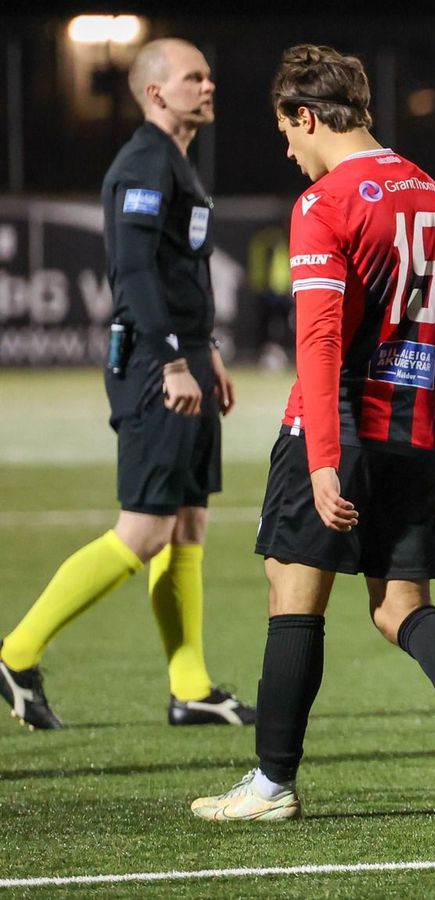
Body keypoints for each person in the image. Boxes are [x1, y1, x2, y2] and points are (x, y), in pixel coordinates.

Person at [191, 45, 435, 825]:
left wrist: (326, 459)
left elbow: (321, 343)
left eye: (287, 131)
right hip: (414, 429)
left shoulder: (325, 204)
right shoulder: (426, 189)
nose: (289, 150)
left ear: (307, 115)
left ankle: (272, 785)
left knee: (291, 592)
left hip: (337, 431)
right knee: (399, 603)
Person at [0, 39, 253, 731]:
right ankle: (16, 651)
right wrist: (173, 362)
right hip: (153, 364)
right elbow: (135, 273)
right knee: (143, 530)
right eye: (193, 77)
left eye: (209, 75)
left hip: (186, 356)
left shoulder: (176, 162)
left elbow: (180, 270)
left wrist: (208, 354)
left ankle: (190, 685)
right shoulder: (143, 164)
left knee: (189, 523)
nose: (208, 86)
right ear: (154, 93)